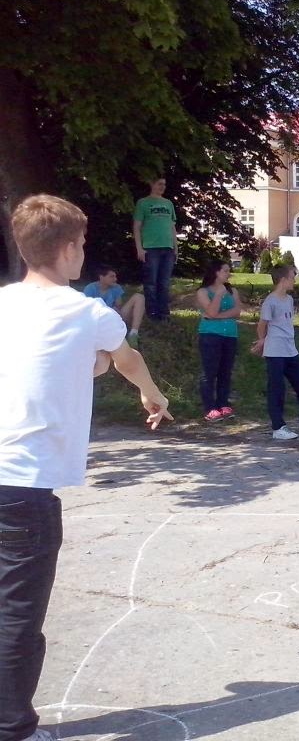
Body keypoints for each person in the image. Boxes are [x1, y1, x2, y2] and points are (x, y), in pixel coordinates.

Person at [0, 194, 172, 741]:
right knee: (18, 620)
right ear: (70, 249)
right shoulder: (86, 311)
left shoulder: (4, 304)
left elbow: (71, 362)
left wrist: (89, 364)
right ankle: (13, 729)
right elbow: (126, 358)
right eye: (81, 245)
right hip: (23, 489)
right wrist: (152, 395)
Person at [251, 265, 299, 440]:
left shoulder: (289, 300)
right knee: (277, 388)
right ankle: (278, 427)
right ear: (283, 280)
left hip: (290, 349)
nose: (295, 280)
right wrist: (262, 340)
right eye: (293, 277)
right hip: (275, 351)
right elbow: (262, 324)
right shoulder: (271, 301)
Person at [195, 260, 241, 422]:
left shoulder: (232, 290)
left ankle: (223, 403)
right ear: (216, 273)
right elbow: (211, 310)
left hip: (229, 334)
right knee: (209, 371)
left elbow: (237, 311)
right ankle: (210, 407)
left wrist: (217, 316)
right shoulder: (203, 292)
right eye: (225, 271)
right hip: (210, 334)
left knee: (225, 371)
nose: (229, 274)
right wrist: (219, 295)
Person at [132, 177, 177, 321]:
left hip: (167, 247)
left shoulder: (168, 203)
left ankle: (164, 313)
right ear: (151, 184)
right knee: (151, 282)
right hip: (150, 248)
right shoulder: (143, 203)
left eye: (164, 184)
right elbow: (137, 227)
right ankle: (152, 313)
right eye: (159, 184)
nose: (162, 187)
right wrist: (139, 248)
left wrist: (176, 246)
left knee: (164, 283)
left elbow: (172, 226)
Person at [83, 265, 145, 347]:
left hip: (115, 317)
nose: (115, 279)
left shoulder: (116, 287)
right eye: (112, 276)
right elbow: (87, 310)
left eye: (115, 276)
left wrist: (116, 302)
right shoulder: (90, 288)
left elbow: (118, 307)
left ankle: (133, 333)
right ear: (101, 277)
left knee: (139, 297)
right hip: (98, 320)